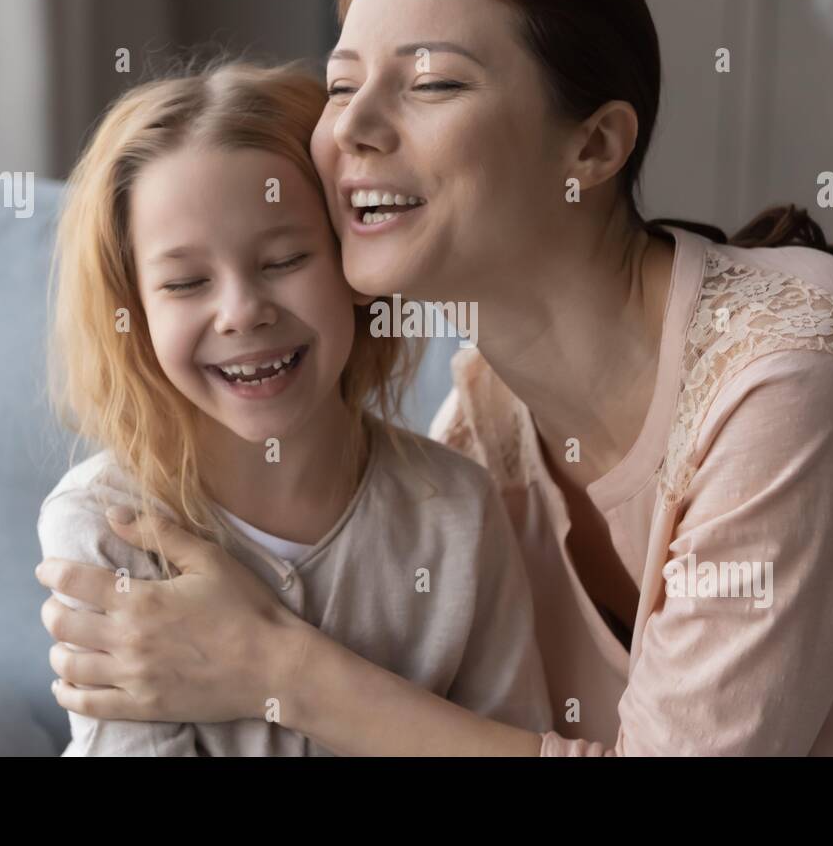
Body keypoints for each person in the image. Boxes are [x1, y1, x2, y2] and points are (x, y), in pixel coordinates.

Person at [37, 0, 833, 756]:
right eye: (344, 83)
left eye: (432, 81)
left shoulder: (788, 378)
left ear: (592, 146)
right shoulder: (487, 426)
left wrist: (276, 667)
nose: (347, 127)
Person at [37, 56, 552, 755]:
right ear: (133, 312)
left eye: (283, 261)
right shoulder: (104, 528)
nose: (242, 312)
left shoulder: (457, 511)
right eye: (186, 282)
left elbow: (506, 742)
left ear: (355, 263)